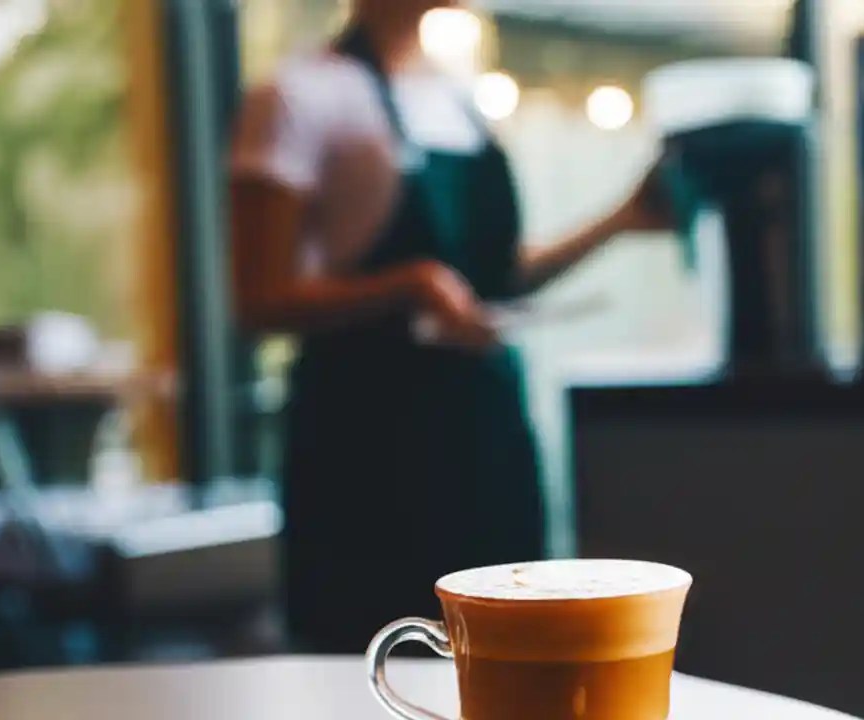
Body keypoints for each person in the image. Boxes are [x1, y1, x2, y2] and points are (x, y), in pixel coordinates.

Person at [230, 0, 668, 652]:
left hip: (482, 439)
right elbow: (259, 299)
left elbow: (497, 277)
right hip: (366, 450)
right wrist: (408, 286)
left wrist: (620, 221)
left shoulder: (460, 101)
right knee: (366, 651)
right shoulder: (294, 97)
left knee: (515, 652)